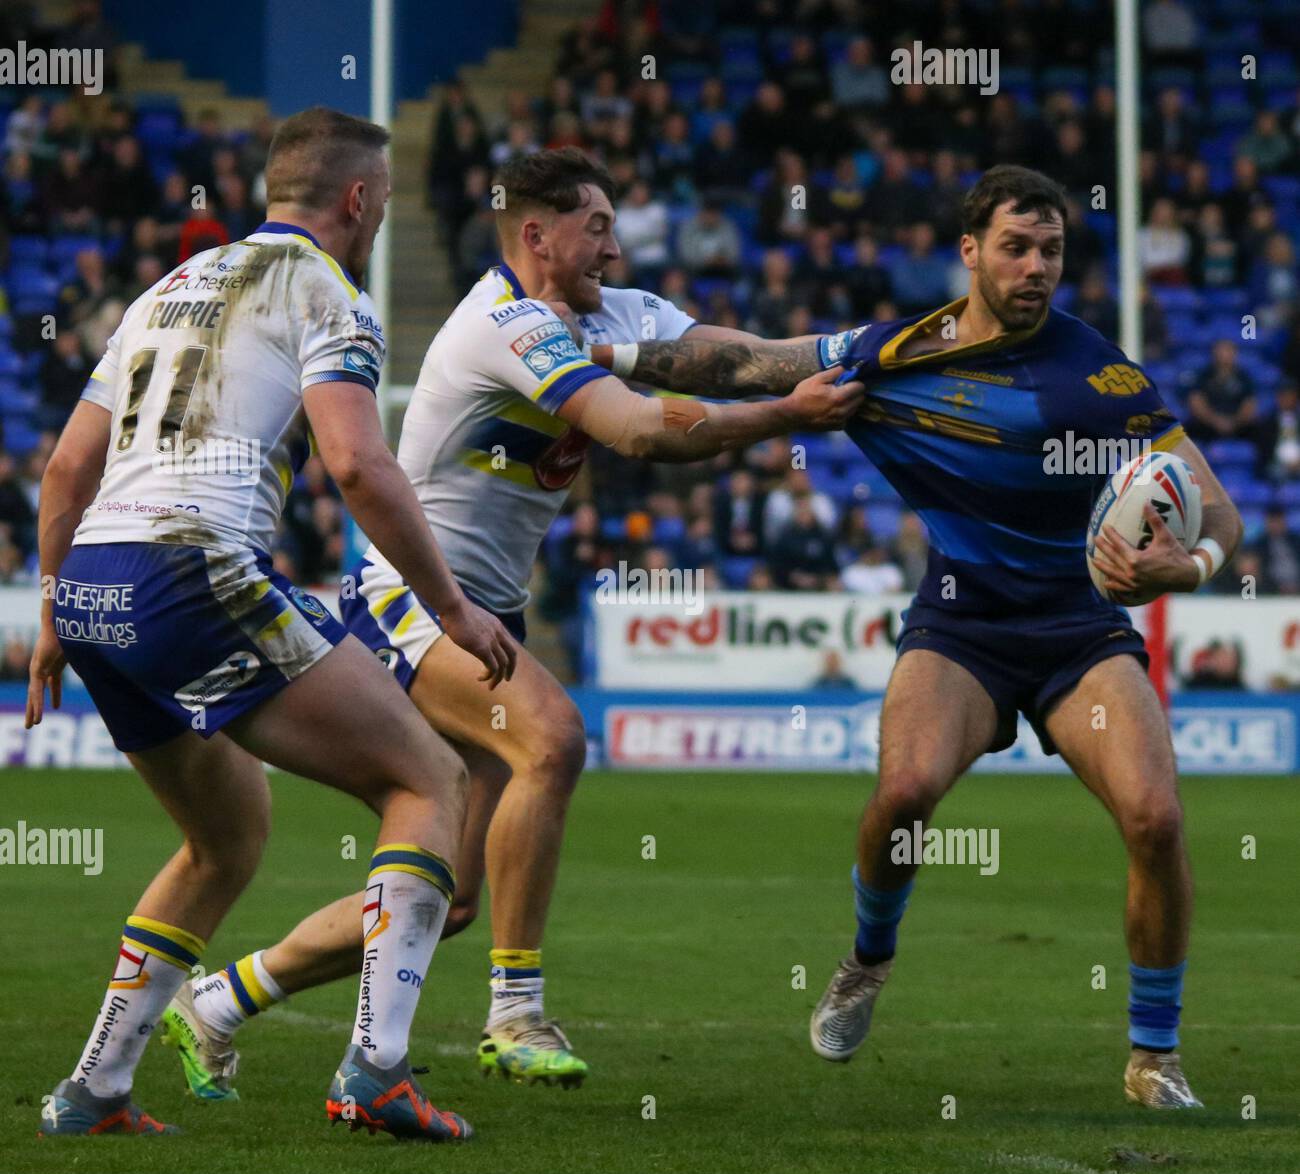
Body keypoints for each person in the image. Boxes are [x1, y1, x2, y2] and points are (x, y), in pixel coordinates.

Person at [159, 147, 864, 1100]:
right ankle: (516, 1011)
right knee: (557, 738)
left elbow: (741, 356)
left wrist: (877, 348)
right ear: (536, 234)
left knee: (444, 898)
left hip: (488, 613)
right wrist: (788, 415)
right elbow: (643, 431)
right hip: (411, 600)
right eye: (597, 229)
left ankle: (219, 1001)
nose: (615, 250)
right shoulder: (501, 323)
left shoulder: (617, 315)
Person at [588, 165, 1245, 1109]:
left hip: (1078, 630)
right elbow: (741, 364)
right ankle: (867, 956)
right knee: (903, 794)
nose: (1036, 269)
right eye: (1016, 248)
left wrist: (1192, 567)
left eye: (1052, 250)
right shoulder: (888, 354)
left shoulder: (1098, 372)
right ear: (970, 251)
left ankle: (1155, 1054)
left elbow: (1216, 507)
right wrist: (595, 353)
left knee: (1157, 817)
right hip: (963, 623)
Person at [30, 106, 516, 1141]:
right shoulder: (329, 289)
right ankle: (377, 1070)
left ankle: (94, 1090)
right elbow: (355, 462)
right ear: (357, 200)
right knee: (430, 781)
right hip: (189, 566)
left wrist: (50, 613)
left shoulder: (165, 289)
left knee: (227, 835)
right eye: (379, 202)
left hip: (95, 587)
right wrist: (452, 608)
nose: (379, 218)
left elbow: (68, 469)